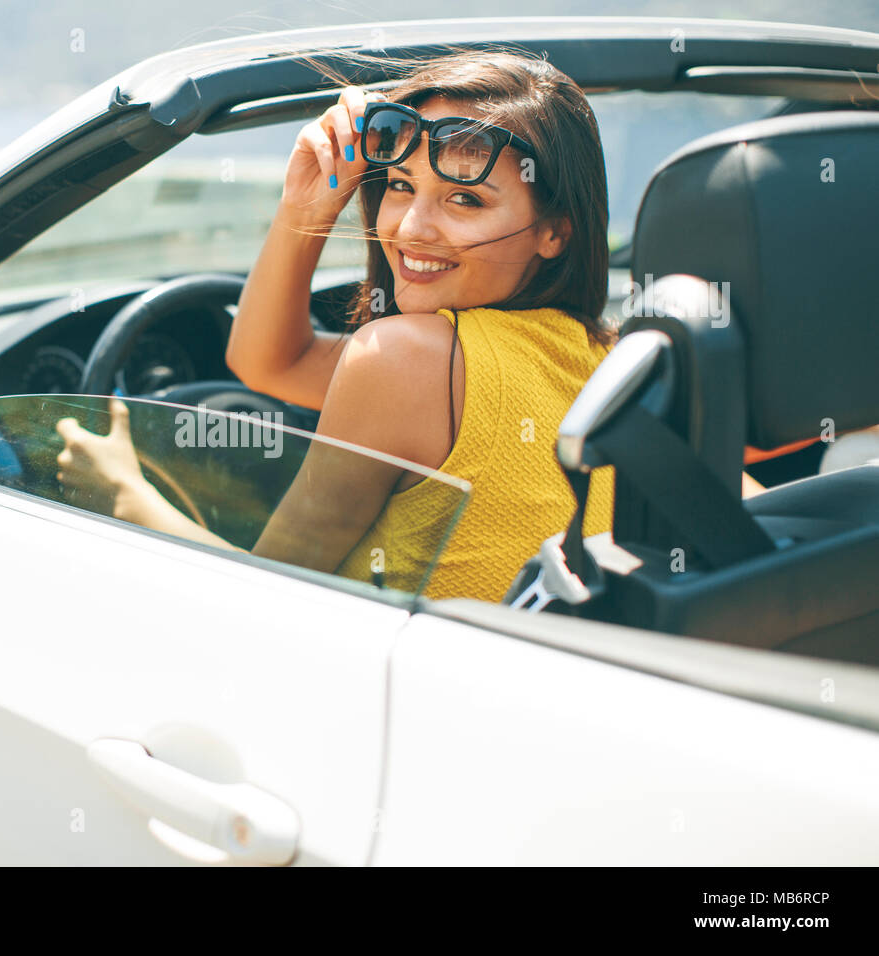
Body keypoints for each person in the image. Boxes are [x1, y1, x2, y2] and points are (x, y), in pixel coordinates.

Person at [56, 49, 619, 602]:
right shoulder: (609, 359)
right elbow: (267, 363)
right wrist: (305, 207)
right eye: (399, 185)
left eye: (465, 200)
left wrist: (124, 496)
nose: (410, 228)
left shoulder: (409, 360)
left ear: (555, 232)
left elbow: (267, 598)